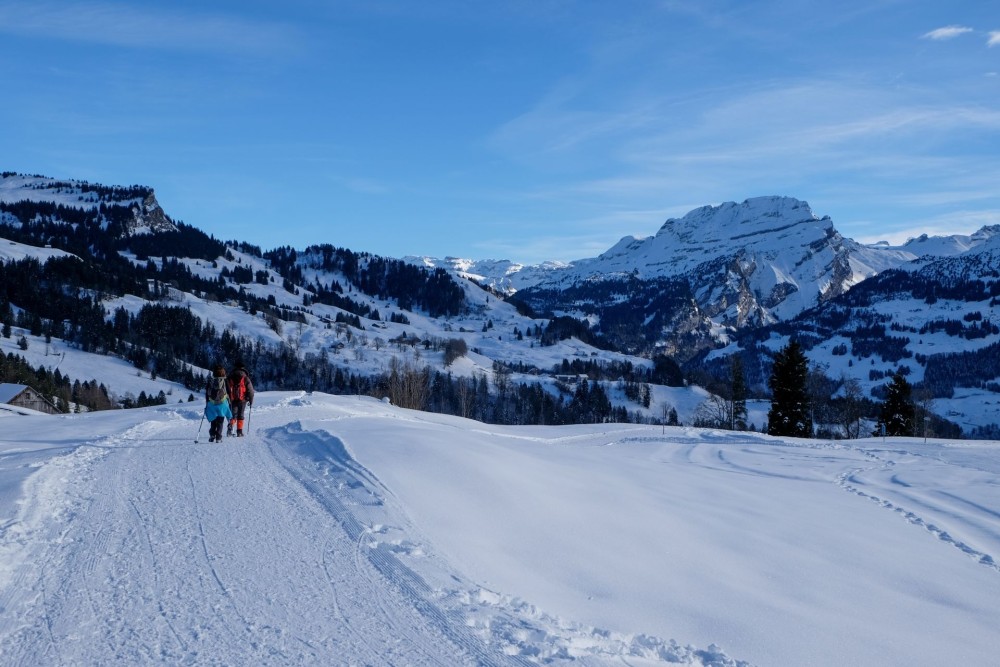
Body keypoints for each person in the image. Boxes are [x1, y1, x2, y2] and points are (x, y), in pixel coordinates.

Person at [204, 364, 233, 443]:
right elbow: (229, 392)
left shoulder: (211, 380)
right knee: (220, 421)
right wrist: (229, 401)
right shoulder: (225, 380)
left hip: (212, 403)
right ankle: (218, 438)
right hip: (222, 404)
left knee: (213, 420)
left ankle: (212, 435)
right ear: (223, 372)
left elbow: (207, 393)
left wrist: (207, 403)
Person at [226, 360, 255, 437]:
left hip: (232, 399)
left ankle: (230, 426)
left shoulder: (230, 376)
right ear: (243, 368)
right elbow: (251, 390)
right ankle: (239, 432)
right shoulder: (245, 377)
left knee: (233, 415)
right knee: (240, 415)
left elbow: (226, 388)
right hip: (243, 399)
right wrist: (251, 400)